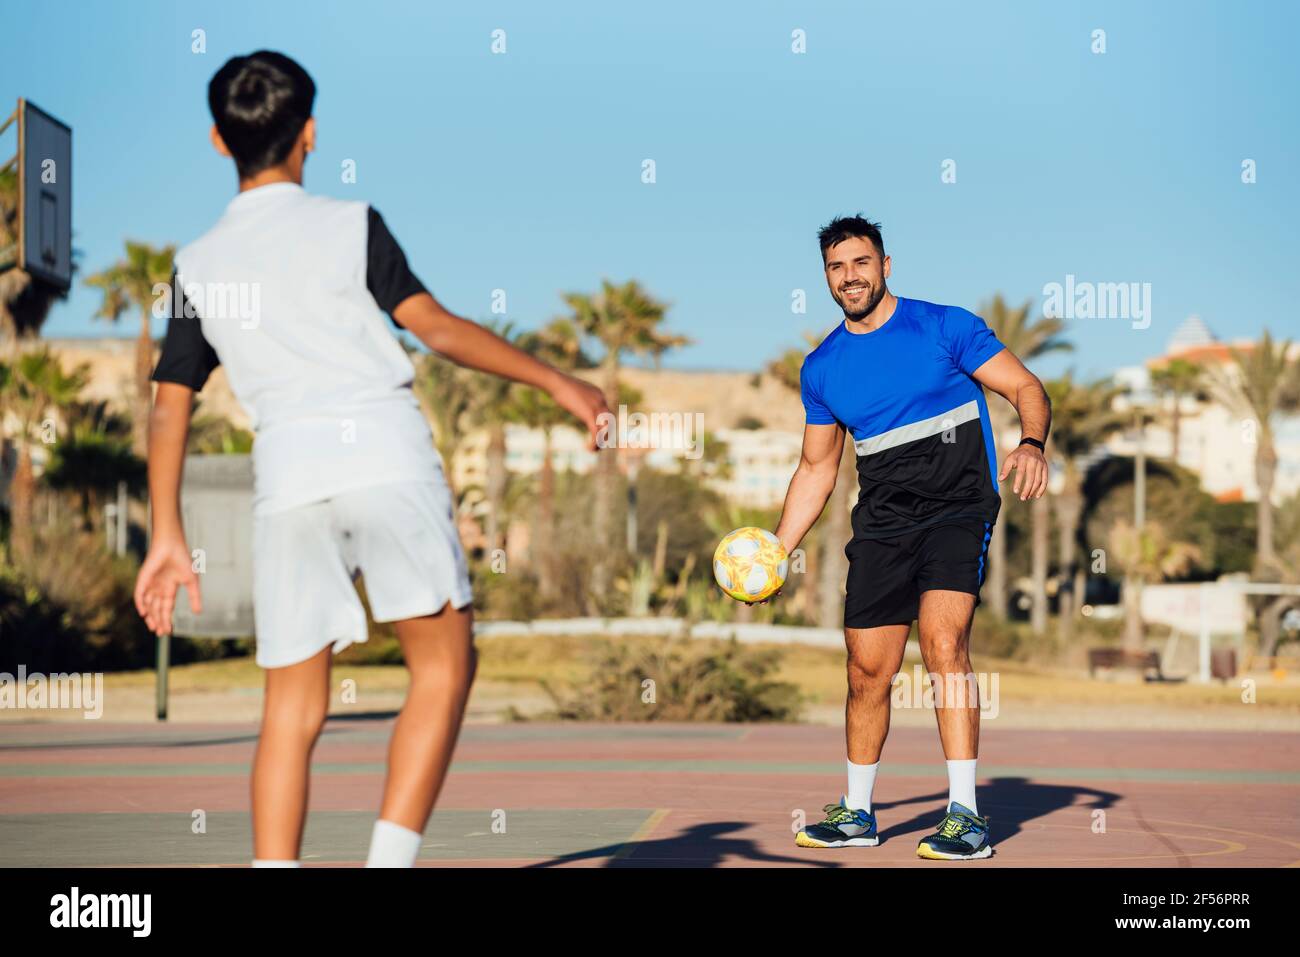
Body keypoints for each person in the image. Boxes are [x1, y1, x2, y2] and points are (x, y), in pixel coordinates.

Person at [133, 50, 608, 868]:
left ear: (218, 141)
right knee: (445, 663)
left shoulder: (195, 265)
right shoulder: (351, 223)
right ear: (309, 133)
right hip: (386, 458)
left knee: (290, 708)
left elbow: (170, 403)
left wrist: (166, 533)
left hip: (288, 483)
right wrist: (561, 383)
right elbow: (438, 327)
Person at [774, 215, 1050, 860]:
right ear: (826, 277)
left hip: (958, 506)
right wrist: (776, 552)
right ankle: (858, 815)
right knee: (867, 669)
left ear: (886, 264)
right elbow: (817, 467)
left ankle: (965, 817)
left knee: (943, 644)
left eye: (861, 262)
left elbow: (1024, 386)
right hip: (883, 519)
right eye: (838, 267)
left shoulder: (945, 327)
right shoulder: (823, 367)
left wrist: (1032, 441)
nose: (851, 277)